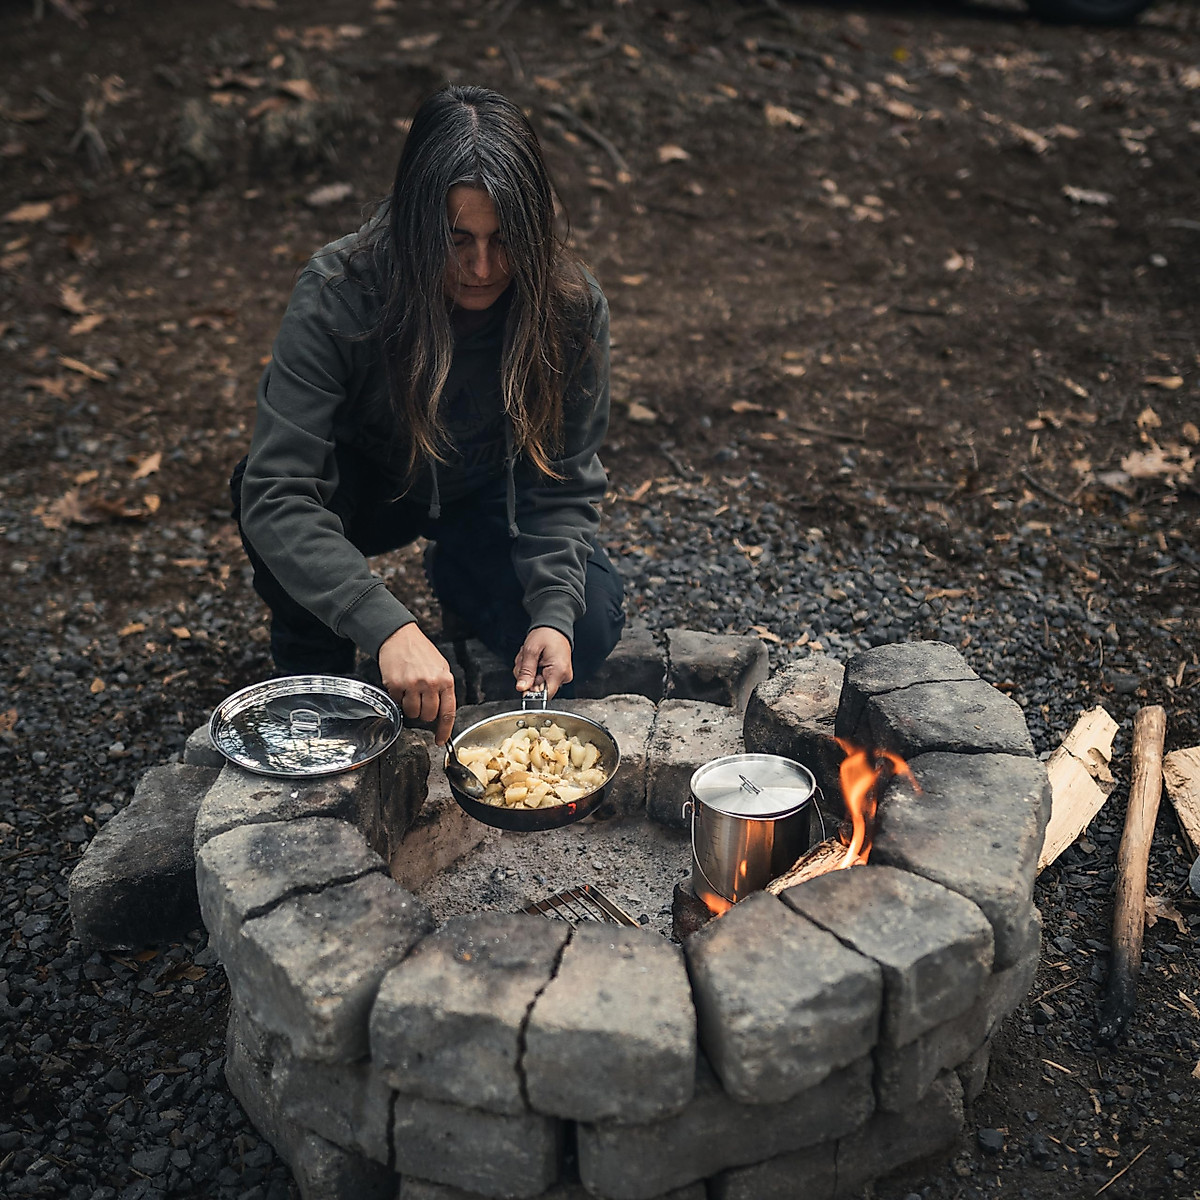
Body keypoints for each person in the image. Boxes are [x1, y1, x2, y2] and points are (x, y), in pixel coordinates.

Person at [231, 85, 625, 745]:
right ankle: (314, 657)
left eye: (505, 241)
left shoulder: (571, 307)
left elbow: (559, 479)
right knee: (256, 493)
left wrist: (552, 613)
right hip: (367, 488)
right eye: (456, 239)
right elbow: (279, 493)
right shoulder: (341, 291)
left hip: (481, 495)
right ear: (417, 223)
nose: (480, 268)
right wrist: (385, 624)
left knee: (587, 628)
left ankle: (461, 580)